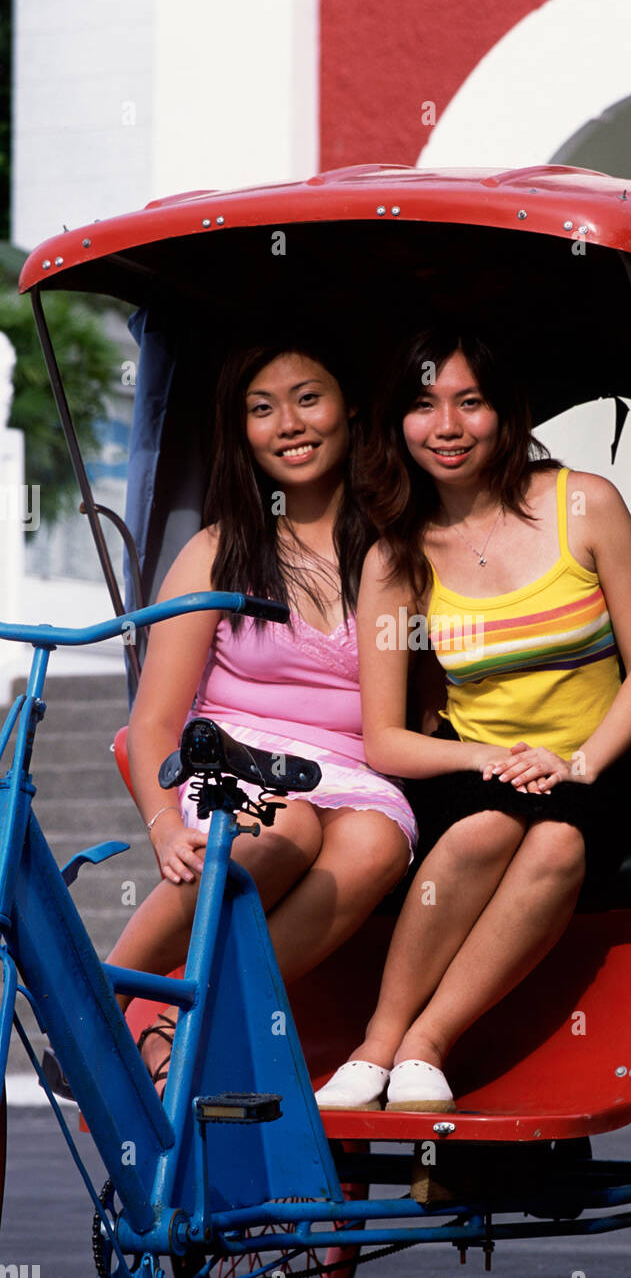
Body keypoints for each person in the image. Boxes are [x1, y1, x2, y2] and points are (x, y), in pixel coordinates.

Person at [315, 328, 631, 1112]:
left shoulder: (584, 503)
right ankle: (376, 1046)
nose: (446, 426)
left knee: (555, 837)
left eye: (468, 402)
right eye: (422, 405)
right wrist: (483, 759)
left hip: (600, 765)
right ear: (395, 424)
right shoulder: (394, 560)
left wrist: (577, 764)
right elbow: (386, 739)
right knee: (482, 829)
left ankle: (423, 1045)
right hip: (478, 770)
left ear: (505, 412)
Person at [107, 339, 416, 1093]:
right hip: (232, 758)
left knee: (378, 843)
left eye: (308, 398)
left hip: (351, 765)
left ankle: (192, 1022)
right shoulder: (216, 552)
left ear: (348, 412)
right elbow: (151, 724)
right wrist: (163, 826)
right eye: (261, 408)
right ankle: (104, 990)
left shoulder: (391, 551)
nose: (289, 423)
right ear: (240, 432)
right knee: (282, 828)